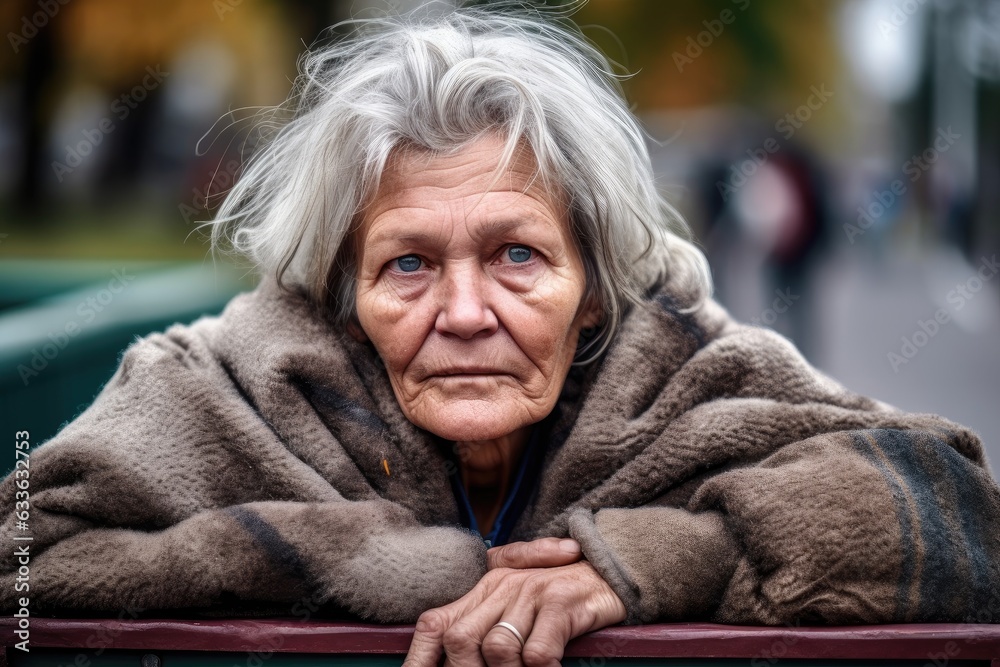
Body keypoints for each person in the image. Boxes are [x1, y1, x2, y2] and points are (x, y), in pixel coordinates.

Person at [2, 5, 998, 666]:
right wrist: (398, 570)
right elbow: (22, 553)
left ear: (595, 289)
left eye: (517, 255)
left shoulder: (685, 368)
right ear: (343, 293)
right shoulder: (230, 385)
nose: (467, 312)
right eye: (408, 265)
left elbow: (956, 511)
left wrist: (645, 560)